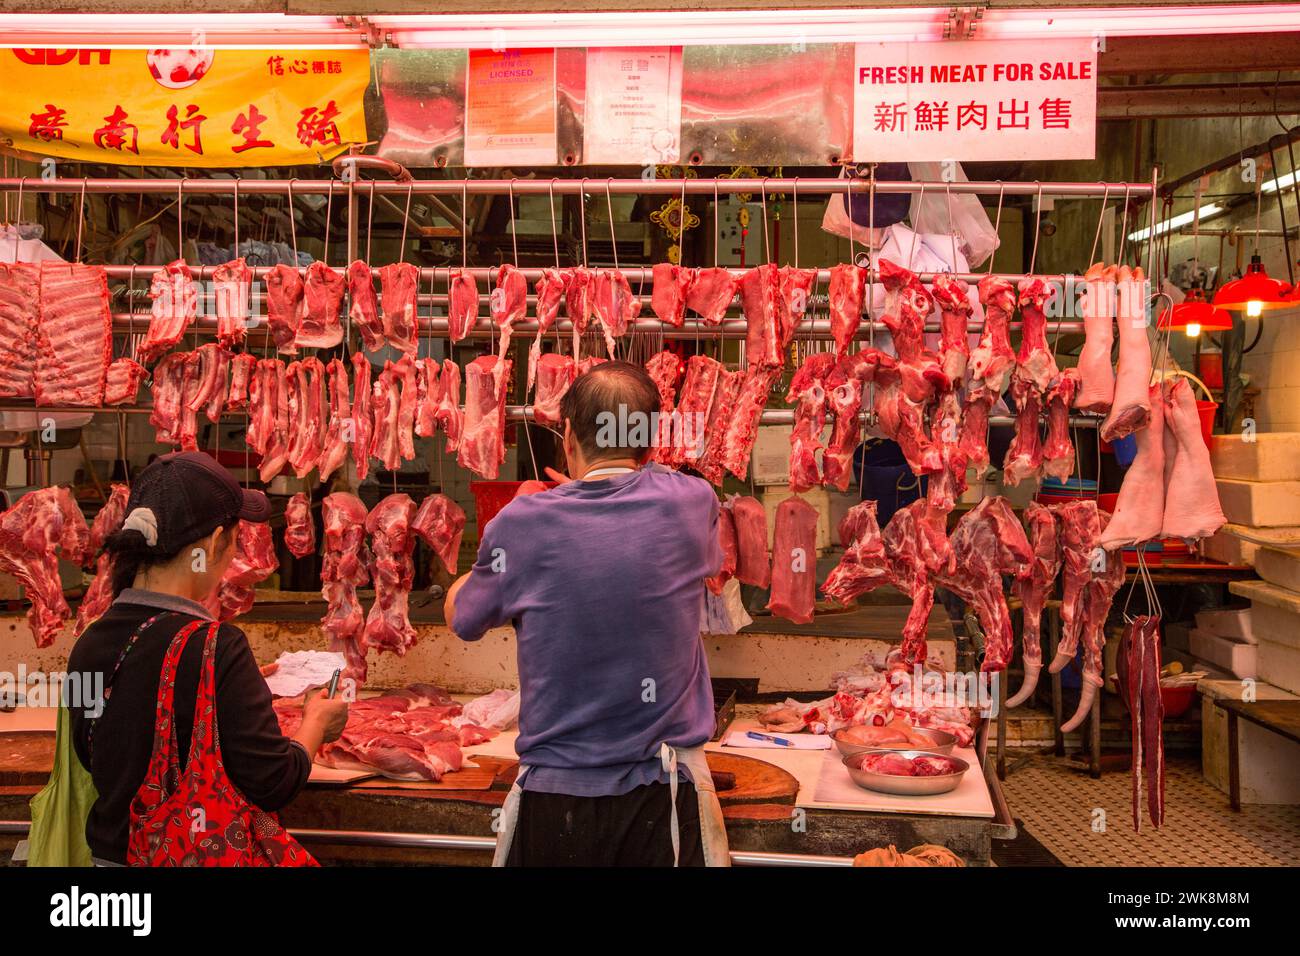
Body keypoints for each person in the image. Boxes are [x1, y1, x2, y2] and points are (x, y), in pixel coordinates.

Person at [446, 361, 729, 867]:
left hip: (556, 800)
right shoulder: (691, 502)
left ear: (569, 435)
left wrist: (513, 525)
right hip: (663, 800)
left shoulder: (523, 523)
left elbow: (463, 619)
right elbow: (647, 494)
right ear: (648, 440)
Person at [67, 451, 348, 866]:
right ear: (215, 542)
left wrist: (234, 696)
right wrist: (315, 723)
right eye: (234, 539)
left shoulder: (89, 643)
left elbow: (97, 752)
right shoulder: (217, 647)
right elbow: (274, 781)